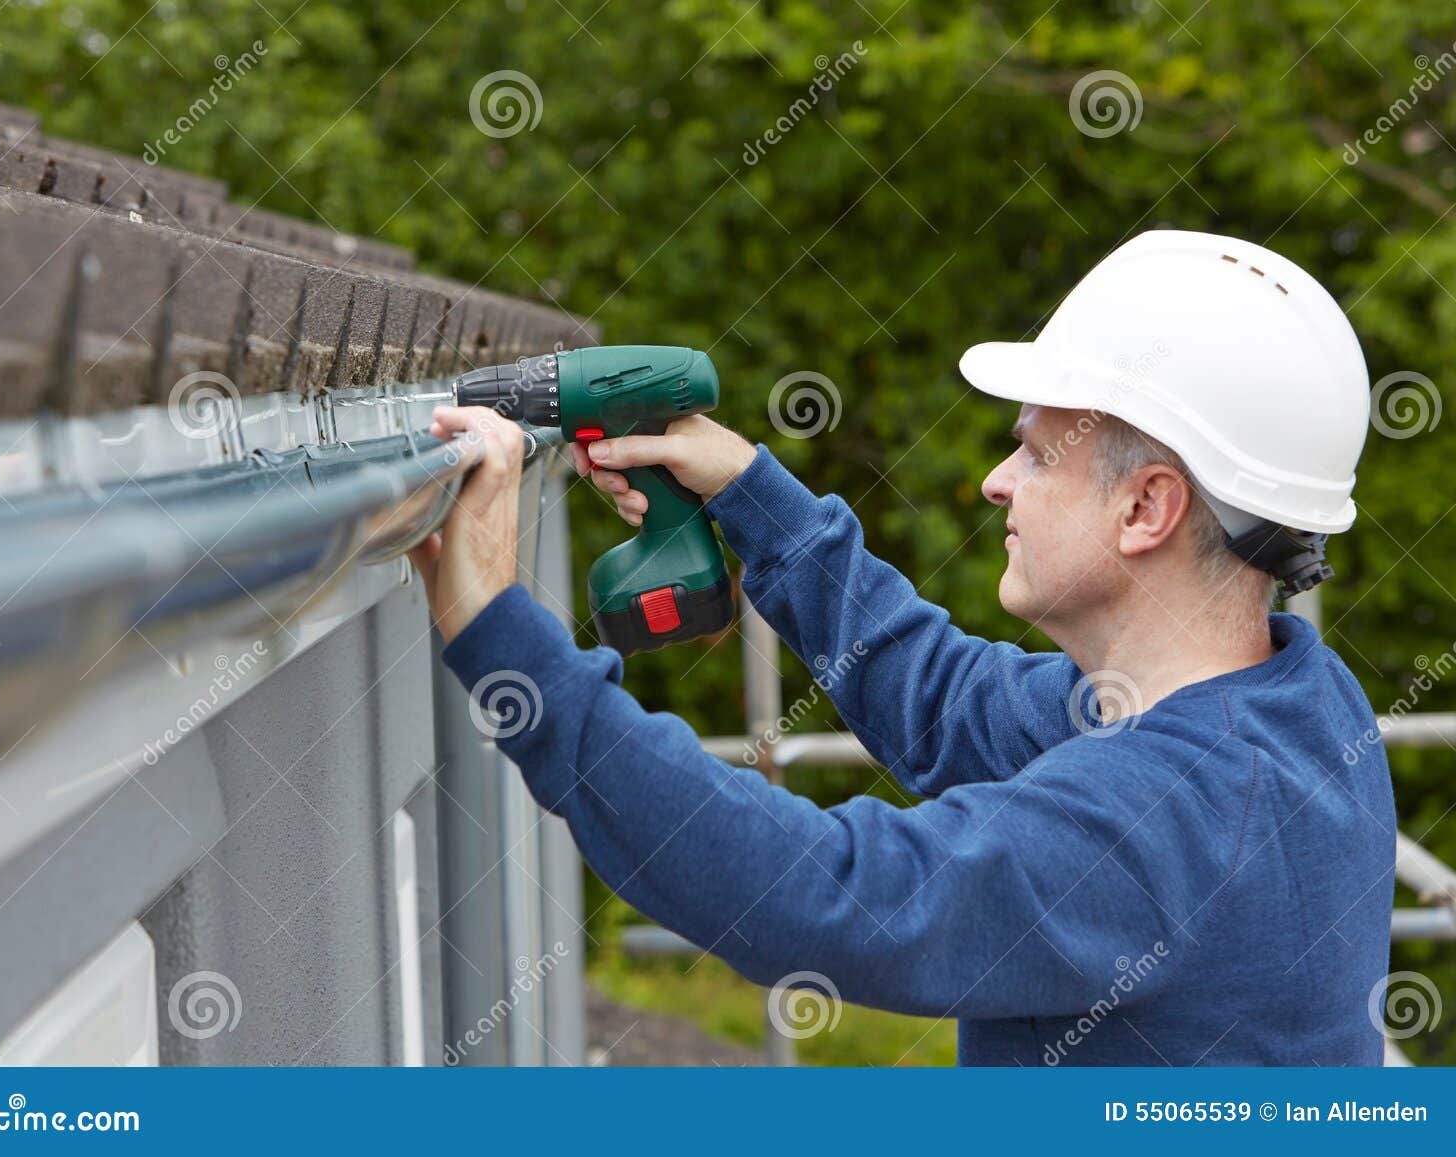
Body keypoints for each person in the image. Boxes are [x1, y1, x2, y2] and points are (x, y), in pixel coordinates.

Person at [410, 230, 1395, 1066]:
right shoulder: (1289, 703)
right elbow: (943, 701)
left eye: (1035, 451)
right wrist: (752, 493)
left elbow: (818, 892)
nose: (996, 483)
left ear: (1146, 507)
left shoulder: (1171, 819)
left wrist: (503, 631)